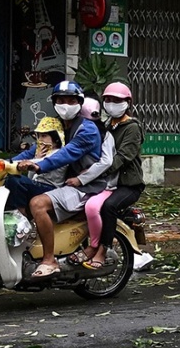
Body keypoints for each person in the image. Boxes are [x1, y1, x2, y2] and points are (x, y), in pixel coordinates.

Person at [13, 80, 105, 279]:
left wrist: (39, 164)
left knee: (37, 204)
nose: (65, 105)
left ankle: (49, 260)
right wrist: (5, 164)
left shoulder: (87, 129)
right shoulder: (59, 126)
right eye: (61, 100)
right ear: (54, 103)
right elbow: (34, 149)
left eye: (71, 101)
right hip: (66, 184)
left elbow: (67, 154)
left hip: (86, 186)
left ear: (79, 103)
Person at [79, 82, 144, 273]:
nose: (111, 103)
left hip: (128, 185)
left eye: (117, 100)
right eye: (107, 99)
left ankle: (102, 249)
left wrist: (97, 171)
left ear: (127, 102)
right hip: (106, 183)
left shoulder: (132, 127)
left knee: (109, 207)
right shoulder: (107, 125)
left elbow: (123, 157)